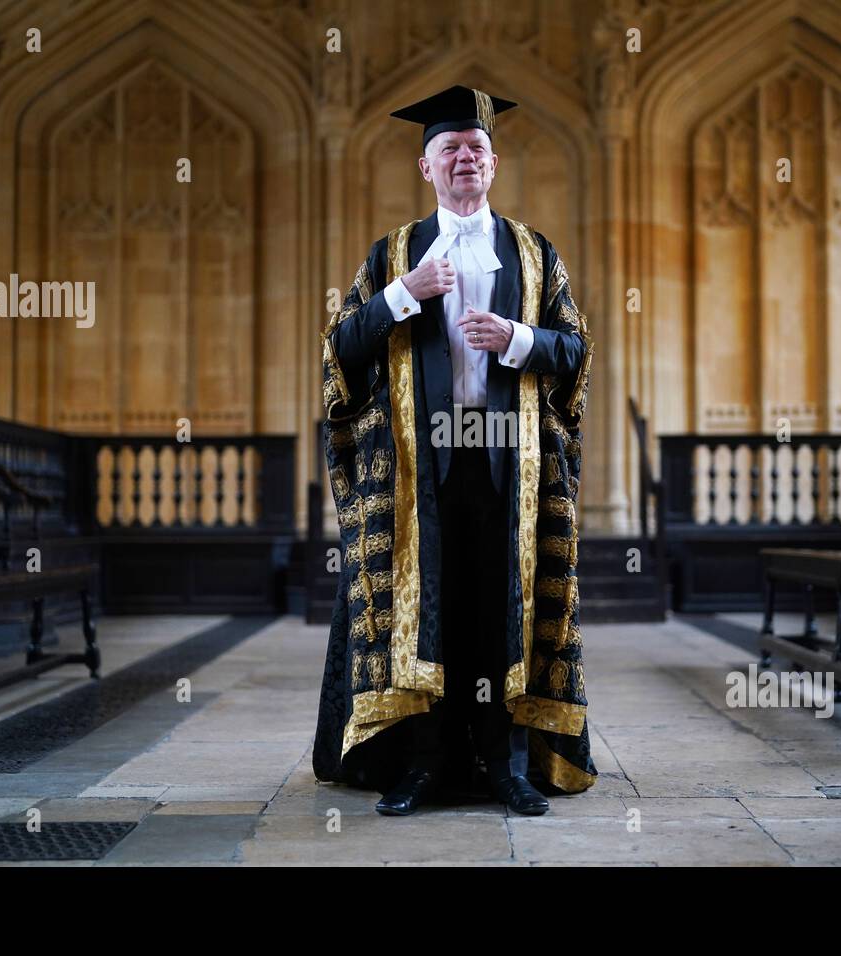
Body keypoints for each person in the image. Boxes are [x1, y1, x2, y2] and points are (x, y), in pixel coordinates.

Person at [312, 85, 597, 816]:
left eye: (476, 149)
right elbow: (339, 351)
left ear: (493, 164)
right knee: (427, 614)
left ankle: (504, 767)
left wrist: (518, 340)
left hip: (508, 463)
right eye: (450, 150)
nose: (464, 158)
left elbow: (576, 352)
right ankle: (423, 766)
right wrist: (403, 294)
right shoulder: (392, 255)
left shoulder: (534, 254)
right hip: (419, 469)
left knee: (496, 612)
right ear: (426, 166)